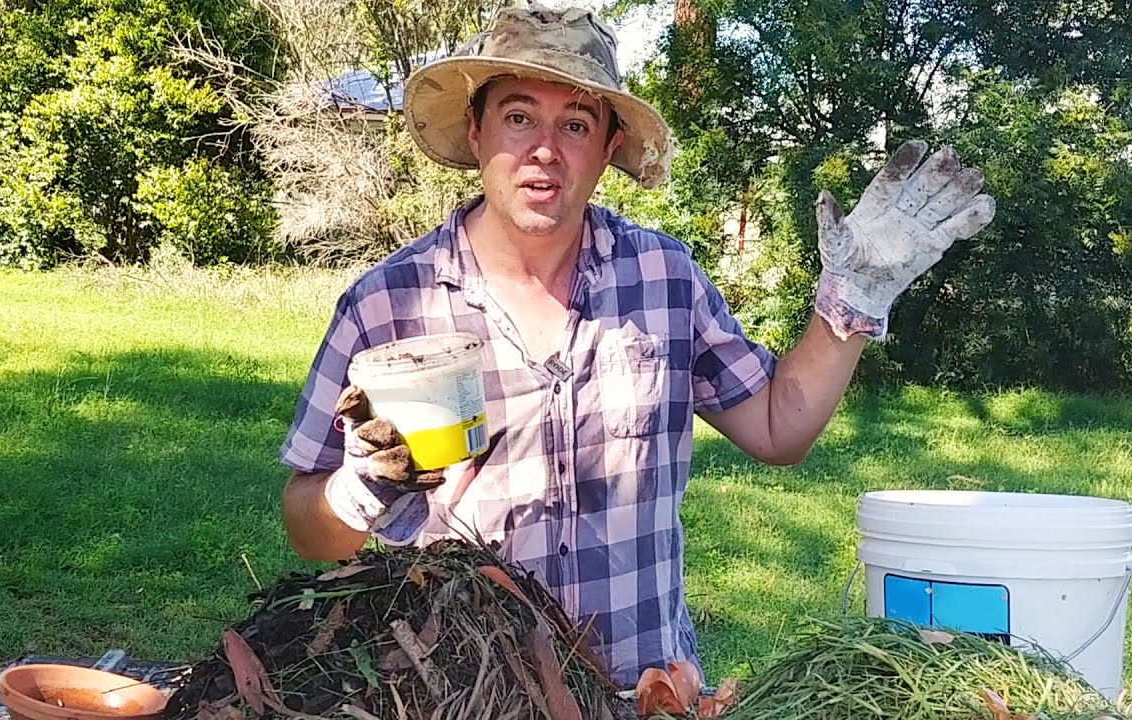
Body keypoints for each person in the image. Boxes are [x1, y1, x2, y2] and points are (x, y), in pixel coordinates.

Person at [278, 2, 996, 690]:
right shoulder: (388, 304)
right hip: (465, 691)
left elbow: (781, 429)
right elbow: (309, 528)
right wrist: (359, 489)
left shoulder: (664, 277)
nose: (544, 150)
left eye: (576, 125)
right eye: (518, 116)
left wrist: (853, 300)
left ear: (609, 148)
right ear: (476, 131)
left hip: (646, 690)